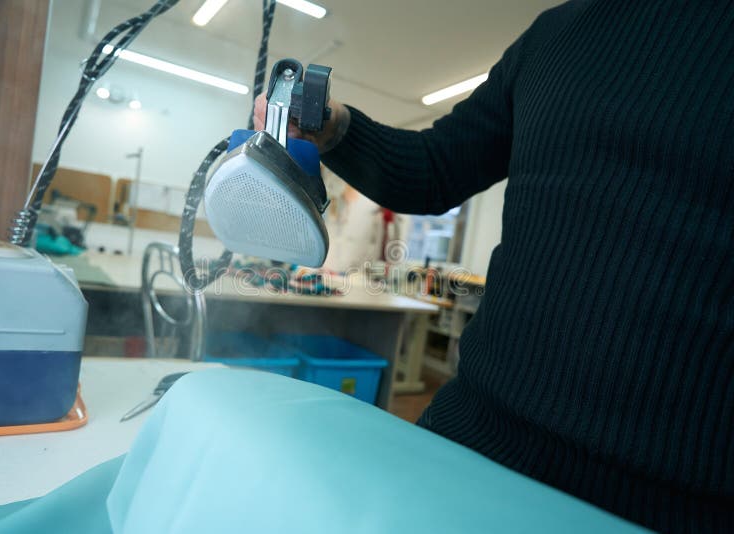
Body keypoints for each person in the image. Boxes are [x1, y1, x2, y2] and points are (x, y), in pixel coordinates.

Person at [254, 1, 733, 532]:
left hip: (678, 498)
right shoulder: (557, 34)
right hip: (472, 438)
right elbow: (434, 168)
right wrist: (334, 128)